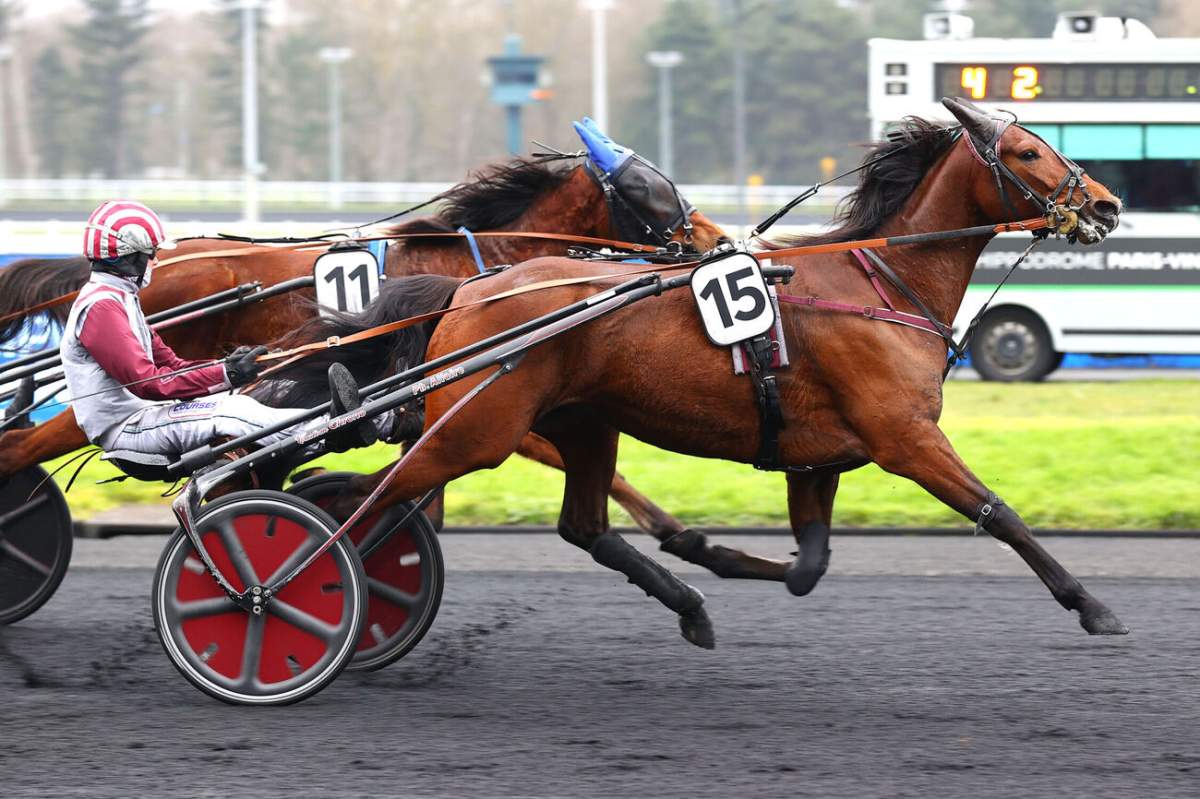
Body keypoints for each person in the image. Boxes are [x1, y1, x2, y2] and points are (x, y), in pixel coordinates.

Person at [58, 200, 388, 473]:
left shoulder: (121, 300)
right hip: (128, 427)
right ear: (130, 258)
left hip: (146, 415)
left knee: (269, 388)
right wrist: (225, 375)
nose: (155, 261)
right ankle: (332, 432)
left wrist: (230, 369)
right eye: (151, 254)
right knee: (235, 413)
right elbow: (147, 383)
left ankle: (381, 417)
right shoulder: (102, 308)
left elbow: (172, 364)